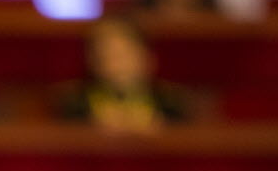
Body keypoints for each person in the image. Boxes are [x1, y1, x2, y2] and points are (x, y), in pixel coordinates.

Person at [56, 18, 190, 131]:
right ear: (93, 61)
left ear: (147, 57)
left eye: (124, 54)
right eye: (107, 55)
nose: (116, 65)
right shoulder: (73, 105)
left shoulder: (173, 104)